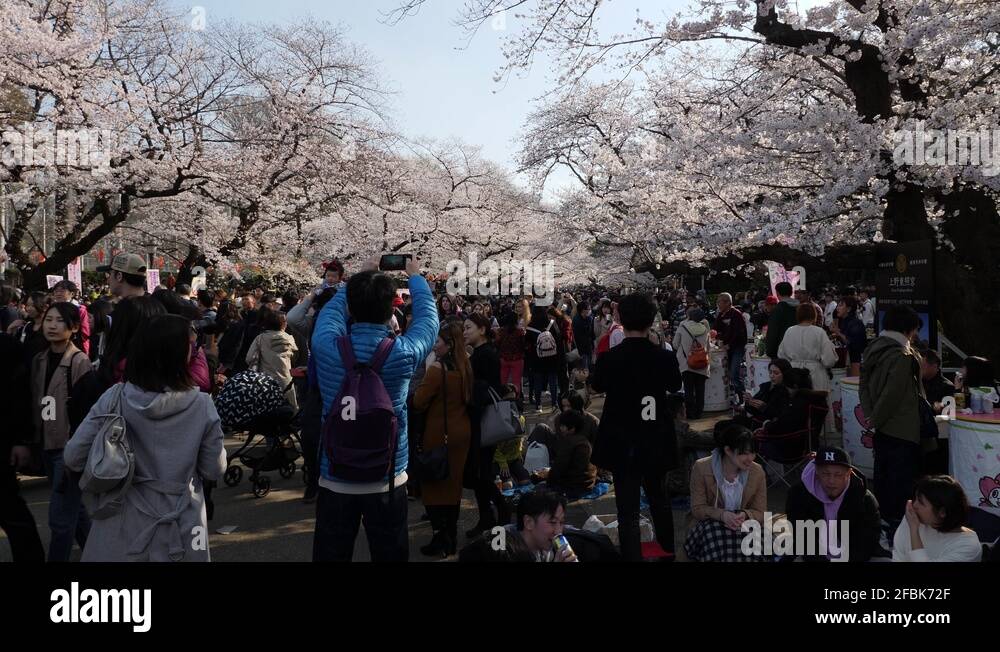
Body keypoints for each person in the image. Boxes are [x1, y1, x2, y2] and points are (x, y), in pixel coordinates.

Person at [64, 314, 227, 561]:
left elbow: (73, 456)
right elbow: (214, 469)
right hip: (181, 521)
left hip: (120, 516)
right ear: (181, 355)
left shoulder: (115, 397)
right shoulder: (201, 405)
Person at [311, 257, 437, 562]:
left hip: (335, 473)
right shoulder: (404, 353)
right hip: (387, 474)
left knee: (331, 554)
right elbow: (428, 321)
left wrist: (359, 279)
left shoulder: (326, 345)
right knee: (390, 553)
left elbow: (330, 313)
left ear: (351, 309)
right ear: (391, 309)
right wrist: (416, 278)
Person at [590, 292, 682, 559]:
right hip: (655, 434)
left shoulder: (610, 358)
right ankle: (667, 552)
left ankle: (632, 556)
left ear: (620, 318)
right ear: (651, 320)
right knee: (659, 501)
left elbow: (597, 385)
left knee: (627, 510)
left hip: (622, 439)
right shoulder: (663, 357)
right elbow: (675, 385)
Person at [30, 302, 95, 561]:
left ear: (74, 328)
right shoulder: (39, 359)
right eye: (49, 320)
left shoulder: (79, 362)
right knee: (73, 509)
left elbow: (85, 412)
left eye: (59, 321)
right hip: (45, 443)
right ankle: (96, 552)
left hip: (69, 446)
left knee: (60, 518)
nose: (53, 326)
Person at [860, 305, 926, 529]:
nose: (916, 334)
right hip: (902, 427)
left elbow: (864, 386)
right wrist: (877, 418)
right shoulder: (902, 356)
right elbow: (893, 394)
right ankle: (898, 528)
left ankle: (882, 522)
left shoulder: (873, 349)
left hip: (882, 428)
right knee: (901, 484)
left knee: (883, 478)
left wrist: (871, 417)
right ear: (907, 329)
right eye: (915, 329)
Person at [412, 322, 473, 557]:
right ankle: (451, 535)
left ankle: (441, 536)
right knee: (453, 485)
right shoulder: (465, 365)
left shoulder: (437, 369)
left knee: (434, 482)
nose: (434, 345)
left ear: (449, 345)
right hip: (461, 431)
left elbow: (418, 401)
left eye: (438, 342)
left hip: (439, 431)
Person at [684, 423, 767, 562]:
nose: (750, 458)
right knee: (713, 535)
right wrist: (722, 515)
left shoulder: (757, 472)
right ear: (728, 450)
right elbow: (697, 508)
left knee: (757, 537)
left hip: (743, 523)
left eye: (752, 452)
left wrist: (745, 515)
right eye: (744, 453)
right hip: (710, 524)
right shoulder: (702, 467)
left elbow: (761, 511)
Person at [784, 447, 884, 562]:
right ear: (816, 472)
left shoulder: (864, 499)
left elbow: (867, 542)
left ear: (848, 474)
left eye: (838, 474)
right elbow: (803, 537)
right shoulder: (798, 494)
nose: (831, 481)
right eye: (825, 473)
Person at [463, 312, 511, 538]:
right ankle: (488, 516)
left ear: (482, 329)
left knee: (481, 473)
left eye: (468, 327)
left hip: (483, 420)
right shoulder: (479, 353)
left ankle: (499, 509)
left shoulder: (486, 354)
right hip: (479, 418)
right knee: (479, 473)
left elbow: (489, 387)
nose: (465, 332)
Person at [0, 333, 45, 562]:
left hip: (4, 440)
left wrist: (22, 440)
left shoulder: (8, 347)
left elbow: (22, 396)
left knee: (11, 511)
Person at [458, 488, 579, 562]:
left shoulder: (544, 548)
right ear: (528, 522)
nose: (558, 530)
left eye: (561, 522)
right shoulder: (502, 552)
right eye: (552, 522)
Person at [892, 475, 982, 562]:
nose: (914, 505)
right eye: (915, 499)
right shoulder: (914, 519)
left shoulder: (968, 546)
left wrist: (914, 532)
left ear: (942, 512)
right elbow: (898, 557)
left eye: (921, 502)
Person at [533, 409, 597, 499]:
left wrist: (544, 477)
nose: (560, 429)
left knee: (537, 489)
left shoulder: (569, 442)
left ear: (572, 428)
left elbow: (558, 469)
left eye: (563, 426)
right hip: (587, 484)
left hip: (574, 487)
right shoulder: (583, 440)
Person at [245, 307, 299, 410]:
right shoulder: (290, 339)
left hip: (265, 380)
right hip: (286, 380)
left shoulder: (260, 338)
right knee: (288, 409)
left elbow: (249, 358)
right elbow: (295, 357)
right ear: (283, 324)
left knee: (267, 408)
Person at [778, 303, 838, 392]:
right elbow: (829, 360)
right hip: (815, 372)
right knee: (815, 402)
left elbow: (781, 354)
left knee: (795, 401)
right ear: (814, 315)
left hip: (794, 373)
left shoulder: (789, 331)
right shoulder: (819, 332)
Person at [673, 306, 711, 419]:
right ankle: (699, 413)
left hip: (686, 364)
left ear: (689, 317)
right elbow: (708, 348)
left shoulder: (682, 327)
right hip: (702, 363)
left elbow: (675, 344)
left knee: (688, 389)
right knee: (700, 390)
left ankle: (690, 413)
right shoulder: (705, 329)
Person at [525, 305, 564, 413]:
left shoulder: (530, 326)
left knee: (538, 381)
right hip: (552, 357)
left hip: (537, 358)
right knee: (553, 381)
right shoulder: (551, 323)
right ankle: (554, 404)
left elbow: (527, 342)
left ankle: (538, 405)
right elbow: (559, 338)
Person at [740, 359, 794, 426]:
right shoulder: (766, 387)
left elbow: (781, 418)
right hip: (755, 422)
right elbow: (752, 410)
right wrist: (749, 402)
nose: (772, 376)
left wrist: (765, 408)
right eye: (770, 372)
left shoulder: (787, 392)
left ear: (785, 374)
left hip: (767, 427)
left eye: (776, 373)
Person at [715, 293, 748, 401]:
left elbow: (740, 334)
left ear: (728, 302)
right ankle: (734, 399)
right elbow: (716, 329)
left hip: (736, 348)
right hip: (725, 348)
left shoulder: (736, 314)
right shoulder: (721, 315)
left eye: (720, 302)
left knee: (734, 374)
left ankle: (744, 399)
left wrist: (729, 344)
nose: (718, 304)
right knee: (727, 374)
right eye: (718, 302)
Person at [51, 280, 91, 356]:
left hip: (76, 347)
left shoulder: (80, 310)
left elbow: (85, 333)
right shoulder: (52, 309)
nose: (58, 294)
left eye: (62, 291)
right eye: (56, 291)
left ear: (72, 294)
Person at [830, 296, 866, 377]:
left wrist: (837, 332)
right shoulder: (845, 321)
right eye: (837, 306)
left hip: (855, 362)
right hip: (849, 361)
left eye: (841, 305)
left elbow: (851, 343)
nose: (837, 308)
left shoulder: (855, 323)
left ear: (849, 309)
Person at [496, 311, 526, 397]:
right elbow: (524, 345)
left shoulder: (501, 331)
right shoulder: (520, 332)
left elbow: (497, 344)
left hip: (503, 359)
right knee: (516, 381)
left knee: (503, 381)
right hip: (517, 359)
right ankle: (516, 399)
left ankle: (502, 398)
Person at [765, 282, 798, 359]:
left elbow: (773, 332)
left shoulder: (778, 310)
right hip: (798, 350)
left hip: (781, 351)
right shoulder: (800, 308)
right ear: (791, 292)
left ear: (777, 293)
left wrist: (770, 351)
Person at [572, 302, 595, 372]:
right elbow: (587, 332)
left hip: (589, 345)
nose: (590, 310)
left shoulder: (588, 317)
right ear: (582, 310)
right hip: (582, 347)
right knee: (585, 364)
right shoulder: (578, 320)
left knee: (588, 363)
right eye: (588, 309)